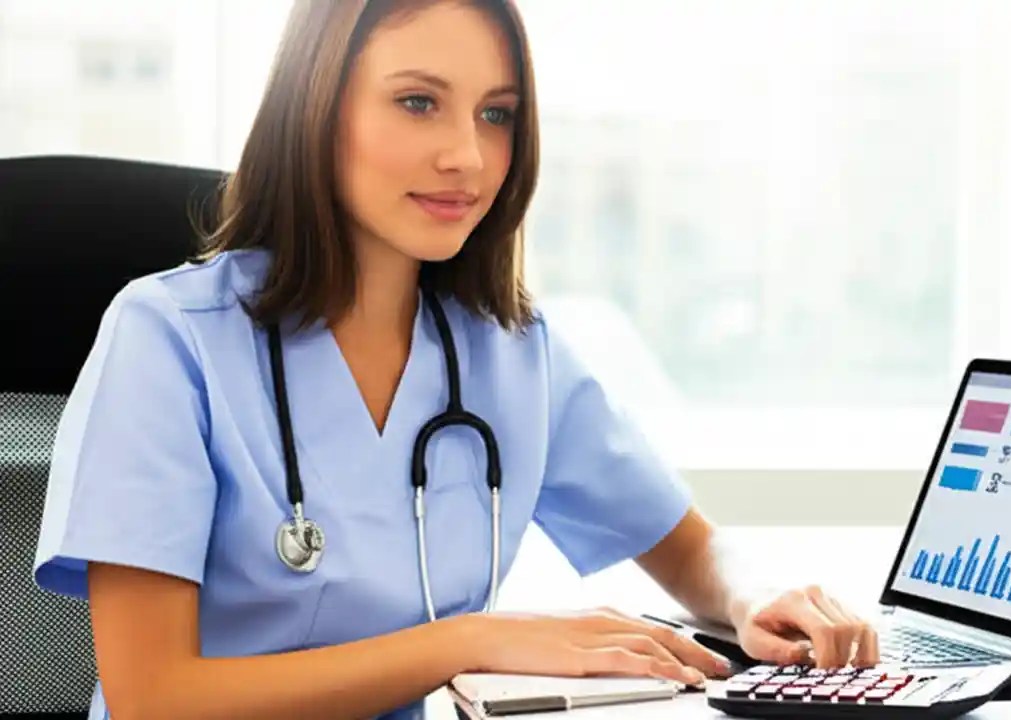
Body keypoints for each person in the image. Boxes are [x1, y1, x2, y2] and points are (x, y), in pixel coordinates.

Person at [32, 1, 879, 718]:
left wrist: (754, 596)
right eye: (417, 103)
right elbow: (156, 697)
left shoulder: (507, 350)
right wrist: (469, 641)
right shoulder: (170, 337)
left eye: (496, 113)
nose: (467, 157)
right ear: (315, 109)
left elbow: (689, 549)